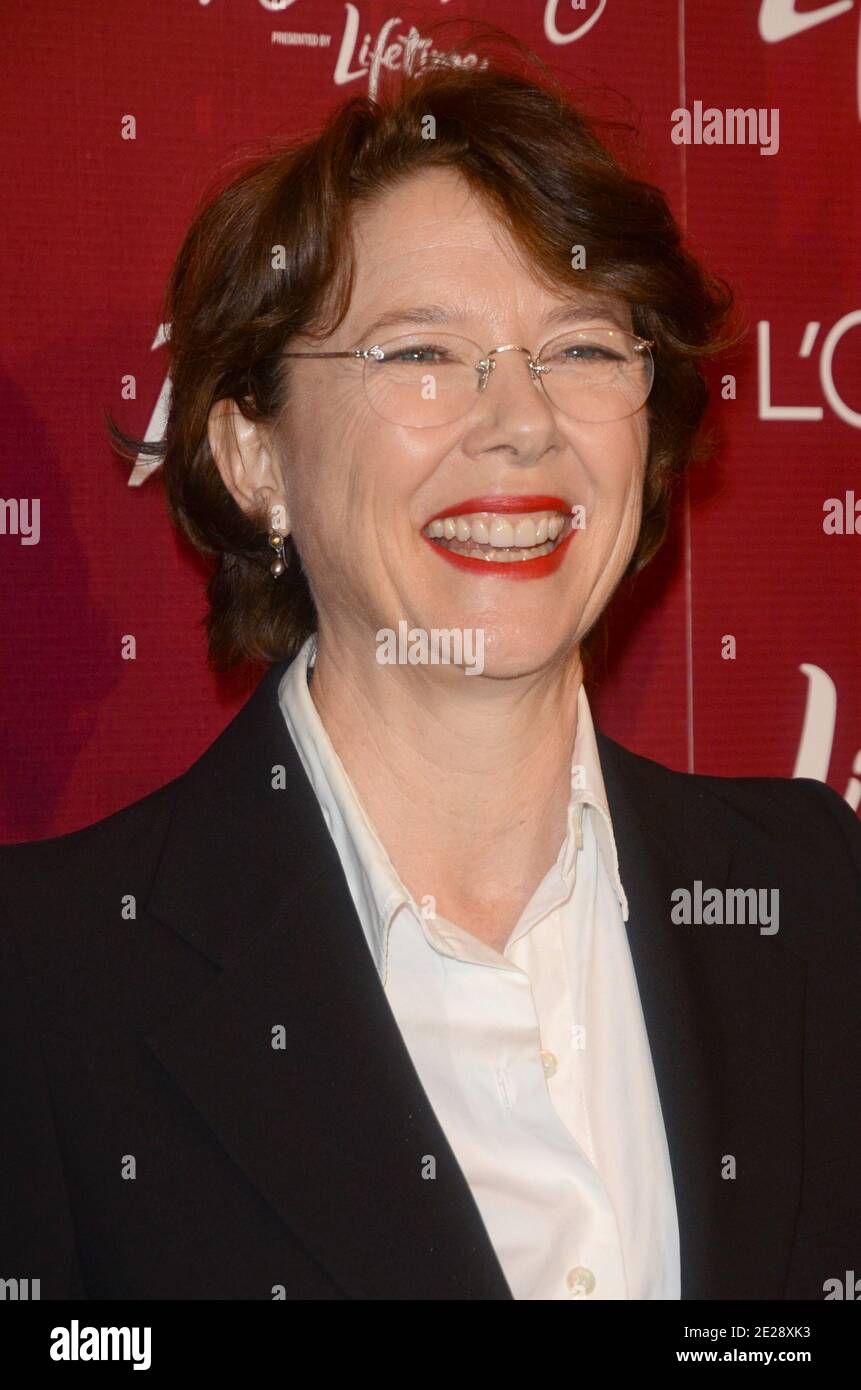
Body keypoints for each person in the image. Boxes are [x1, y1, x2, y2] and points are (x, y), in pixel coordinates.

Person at [2, 43, 860, 1303]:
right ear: (255, 454)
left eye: (580, 349)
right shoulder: (48, 983)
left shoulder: (813, 892)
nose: (520, 421)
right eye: (419, 354)